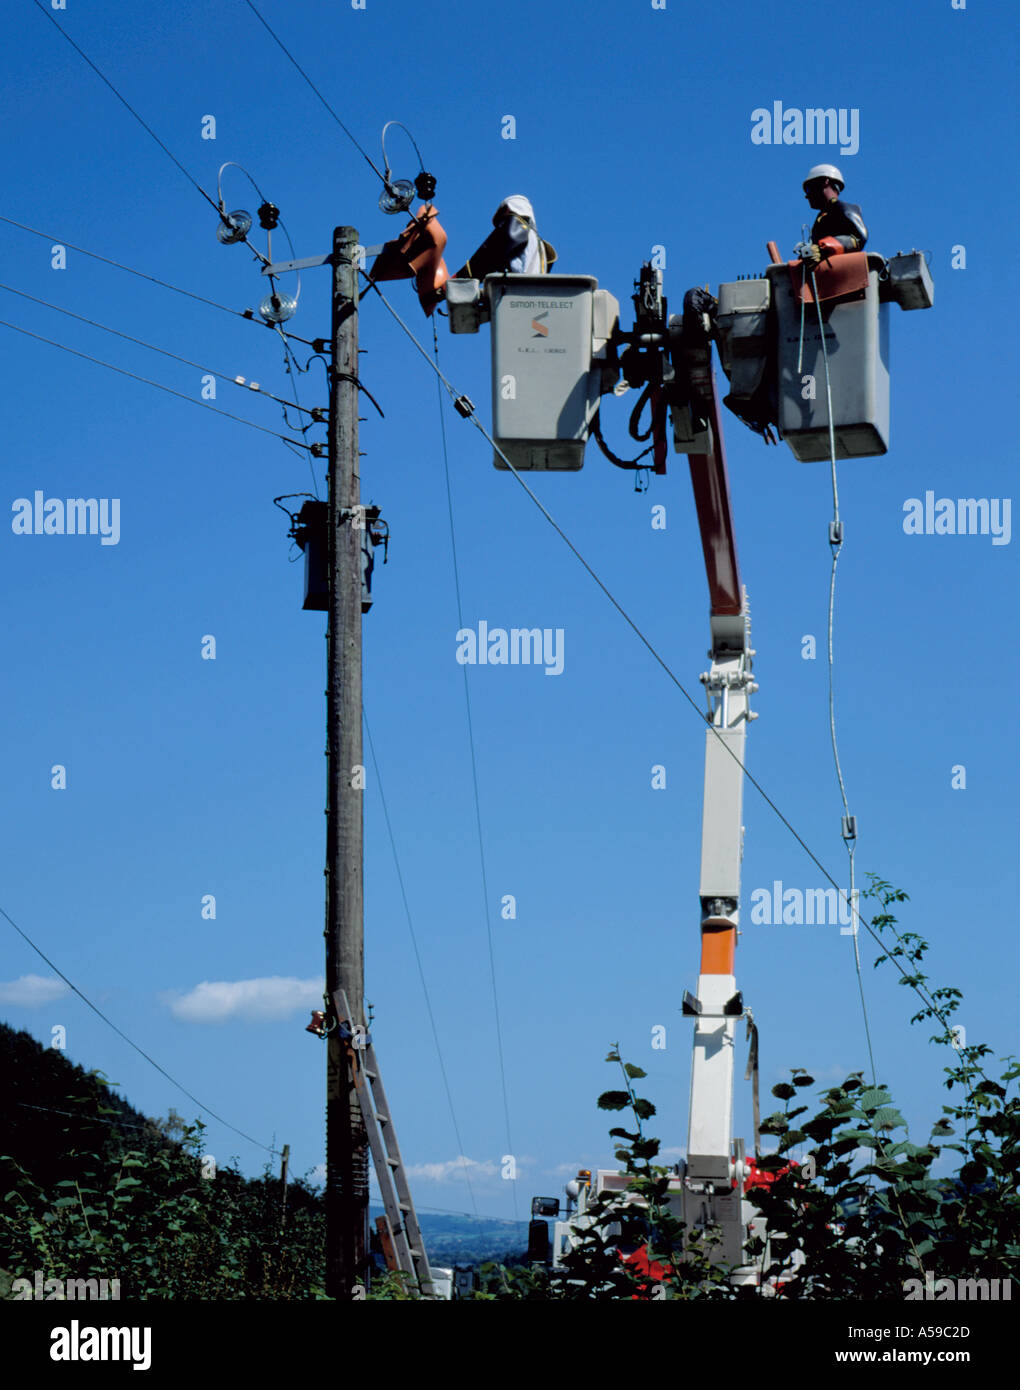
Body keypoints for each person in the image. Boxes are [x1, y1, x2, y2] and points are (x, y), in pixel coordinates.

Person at [454, 195, 557, 279]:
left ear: (507, 210)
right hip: (532, 294)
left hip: (515, 293)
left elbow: (486, 258)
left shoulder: (516, 226)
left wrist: (458, 278)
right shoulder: (539, 243)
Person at [797, 165, 868, 266]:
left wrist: (824, 248)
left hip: (844, 270)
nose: (807, 195)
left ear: (825, 182)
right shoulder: (821, 218)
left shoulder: (842, 207)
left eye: (809, 189)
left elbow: (859, 237)